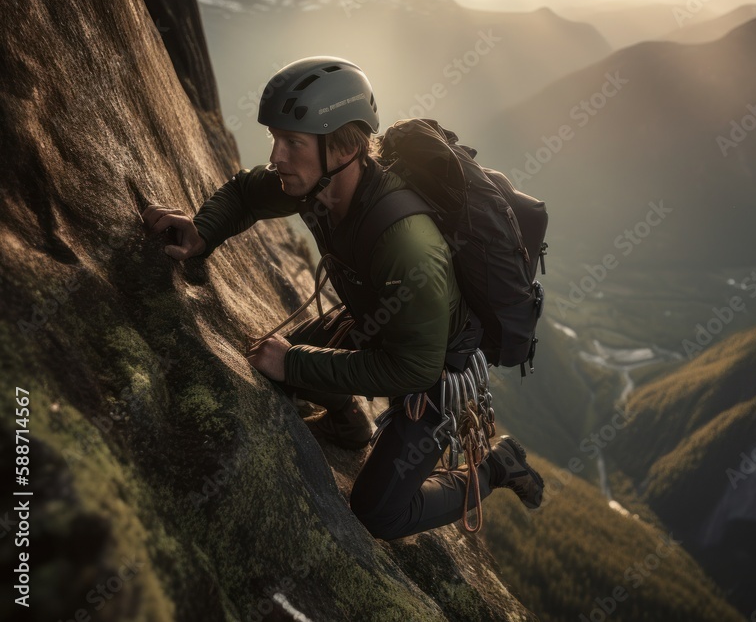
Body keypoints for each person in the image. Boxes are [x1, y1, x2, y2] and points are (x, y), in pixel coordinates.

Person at [142, 56, 544, 540]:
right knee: (269, 367)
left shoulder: (406, 240)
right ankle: (349, 425)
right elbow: (247, 193)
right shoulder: (319, 185)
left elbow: (414, 368)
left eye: (293, 142)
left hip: (437, 369)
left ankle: (497, 466)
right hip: (377, 325)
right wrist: (201, 232)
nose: (277, 156)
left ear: (345, 148)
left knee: (378, 512)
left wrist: (295, 362)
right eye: (275, 138)